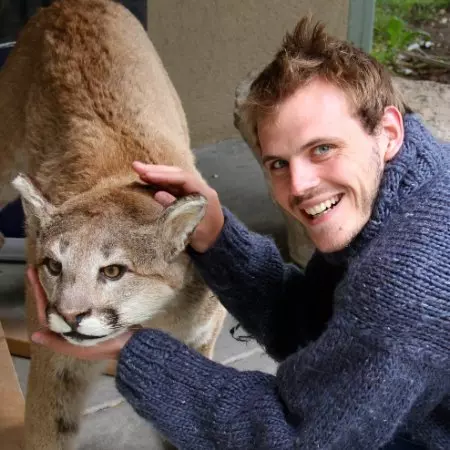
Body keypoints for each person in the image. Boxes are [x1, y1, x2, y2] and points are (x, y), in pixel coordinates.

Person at [27, 17, 449, 450]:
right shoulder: (413, 185)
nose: (300, 186)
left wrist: (132, 351)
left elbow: (293, 440)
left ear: (389, 132)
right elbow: (317, 329)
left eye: (323, 148)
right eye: (278, 163)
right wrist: (219, 239)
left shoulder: (411, 275)